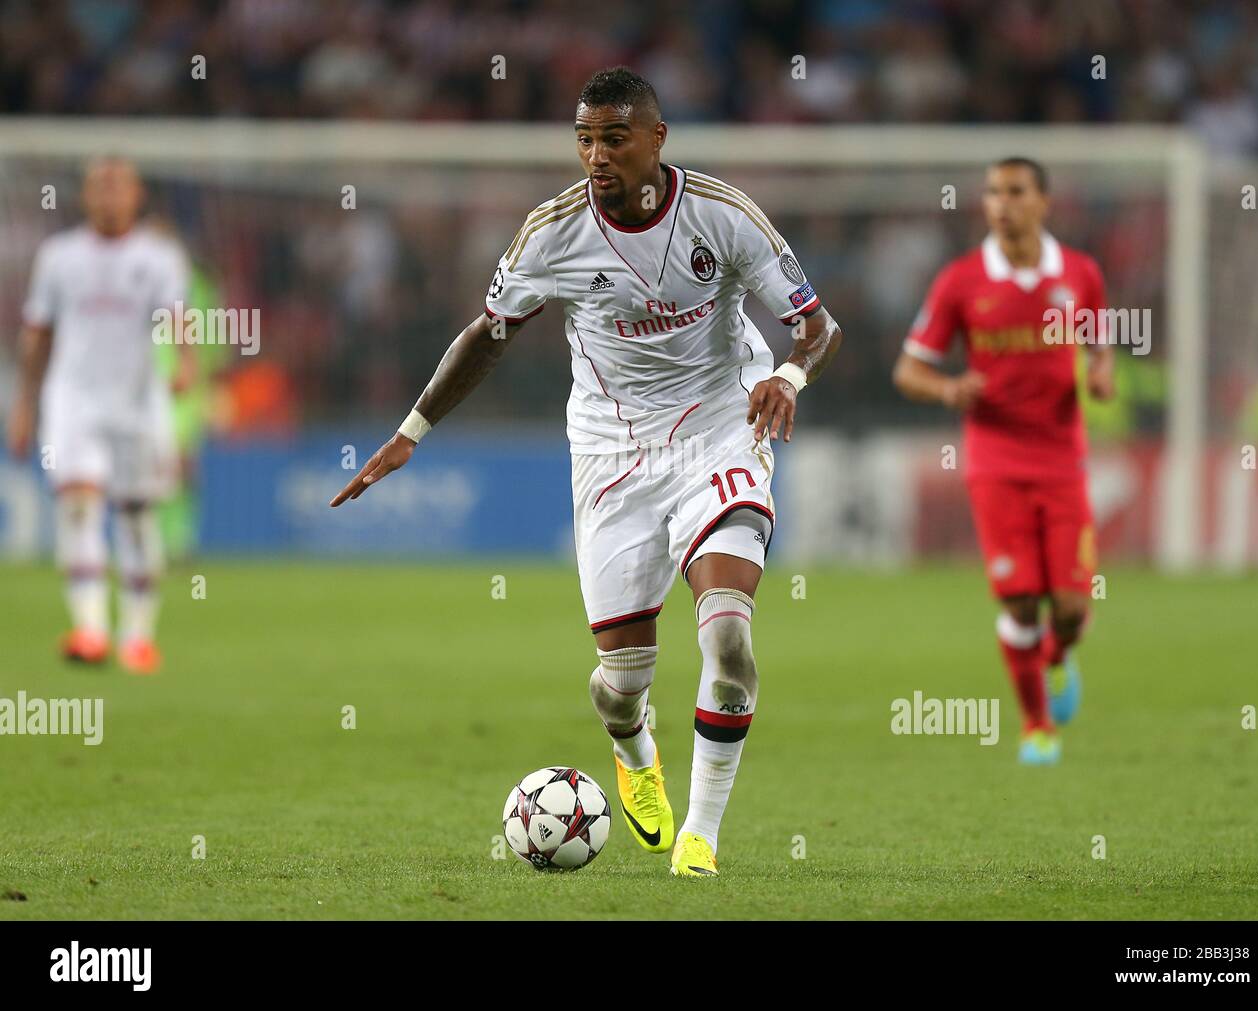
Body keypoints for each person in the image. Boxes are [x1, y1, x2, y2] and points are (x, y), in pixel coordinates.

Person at [331, 67, 842, 876]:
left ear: (656, 139)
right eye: (585, 140)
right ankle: (634, 748)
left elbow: (817, 326)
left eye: (614, 138)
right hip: (611, 450)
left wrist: (788, 375)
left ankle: (701, 836)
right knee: (619, 682)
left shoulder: (723, 215)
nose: (597, 155)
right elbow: (489, 333)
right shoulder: (551, 233)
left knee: (729, 638)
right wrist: (412, 431)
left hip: (719, 429)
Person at [893, 157, 1115, 765]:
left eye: (1015, 192)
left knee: (1070, 610)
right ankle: (1037, 725)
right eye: (993, 193)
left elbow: (1100, 346)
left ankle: (1058, 656)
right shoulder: (961, 281)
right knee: (1020, 603)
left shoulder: (1080, 274)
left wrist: (1101, 371)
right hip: (994, 462)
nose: (1001, 203)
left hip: (1062, 461)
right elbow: (908, 370)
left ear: (1044, 202)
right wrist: (948, 388)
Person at [7, 157, 194, 674]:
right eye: (99, 187)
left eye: (118, 187)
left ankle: (137, 637)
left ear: (136, 196)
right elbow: (37, 332)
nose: (109, 196)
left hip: (138, 402)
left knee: (135, 514)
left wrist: (185, 362)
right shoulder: (58, 256)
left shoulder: (159, 257)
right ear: (86, 197)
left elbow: (178, 318)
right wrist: (24, 404)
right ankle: (90, 630)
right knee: (79, 504)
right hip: (74, 398)